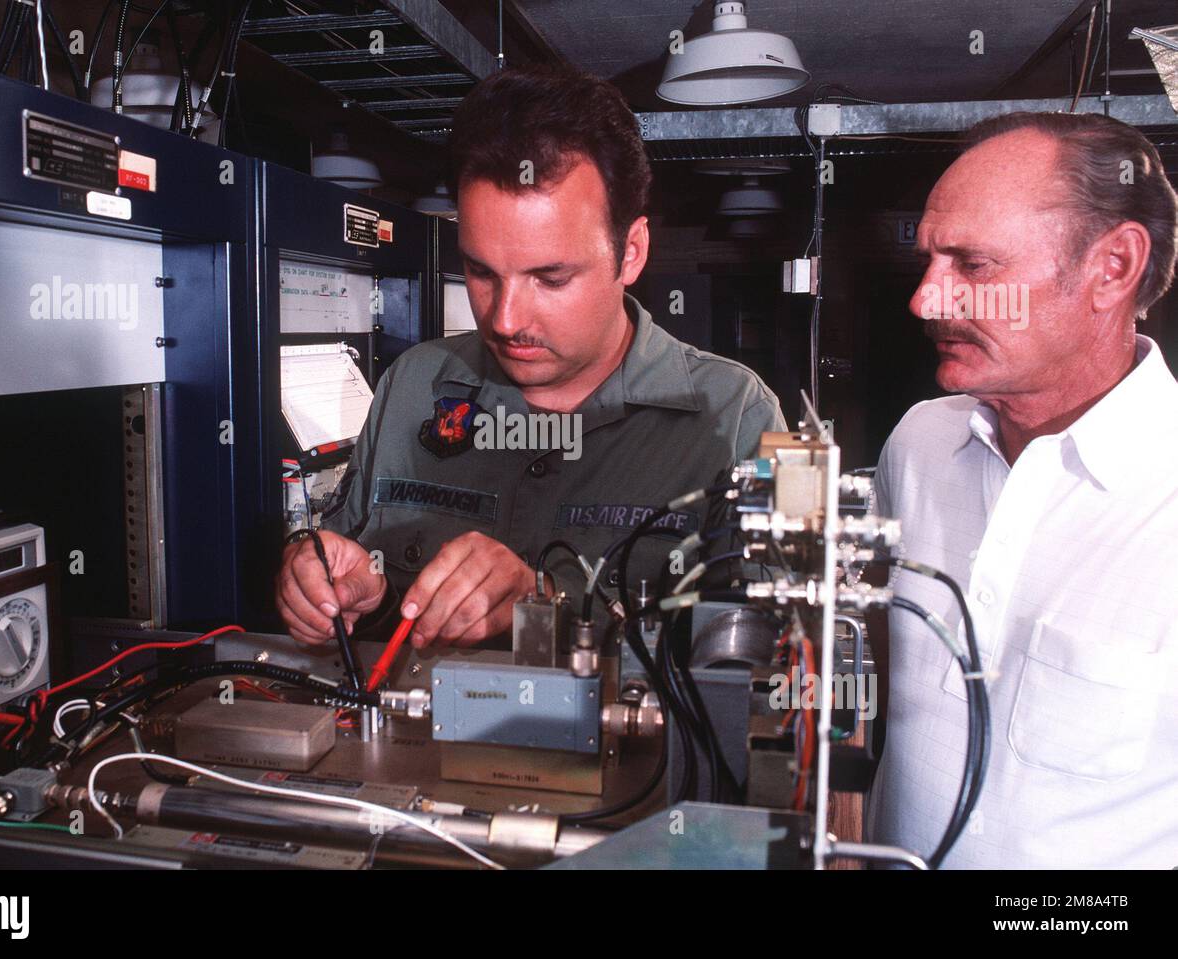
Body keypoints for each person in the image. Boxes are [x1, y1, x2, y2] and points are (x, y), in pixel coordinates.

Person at [276, 64, 784, 651]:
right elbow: (355, 576)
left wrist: (551, 602)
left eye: (550, 277)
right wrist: (340, 587)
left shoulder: (736, 420)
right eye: (481, 272)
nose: (506, 318)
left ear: (632, 252)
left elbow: (762, 660)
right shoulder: (412, 387)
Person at [868, 111, 1178, 867]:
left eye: (973, 267)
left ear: (1112, 267)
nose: (926, 301)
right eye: (930, 262)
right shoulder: (918, 444)